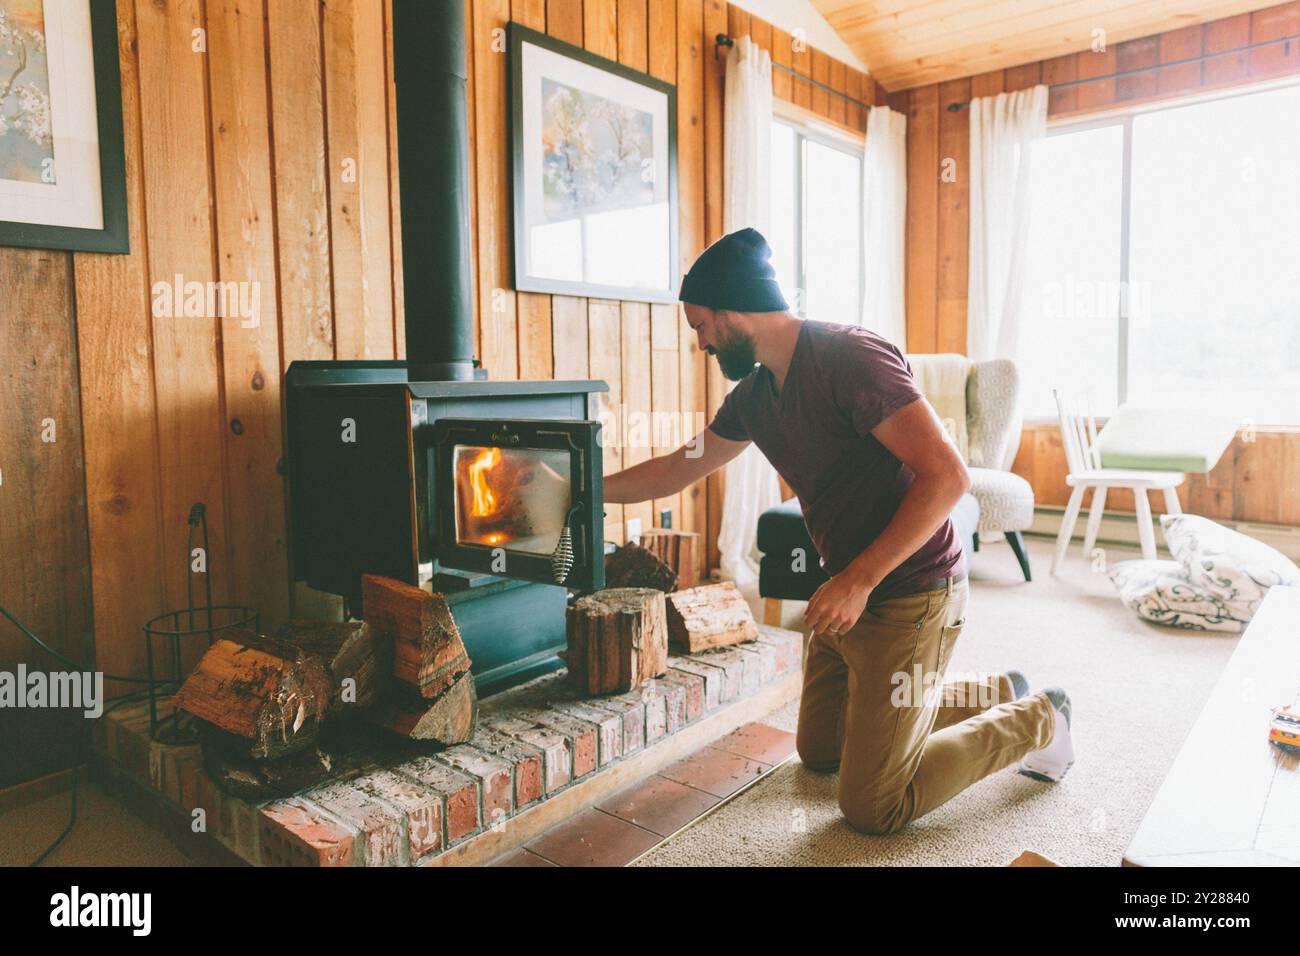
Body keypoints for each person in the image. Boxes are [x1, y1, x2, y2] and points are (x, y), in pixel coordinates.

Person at [603, 227, 1075, 834]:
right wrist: (588, 490)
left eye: (701, 326)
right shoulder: (753, 397)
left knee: (874, 805)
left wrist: (857, 581)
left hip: (910, 589)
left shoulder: (849, 357)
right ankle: (996, 689)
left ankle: (1040, 716)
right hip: (846, 597)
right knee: (821, 753)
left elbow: (949, 477)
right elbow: (678, 466)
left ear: (734, 309)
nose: (701, 344)